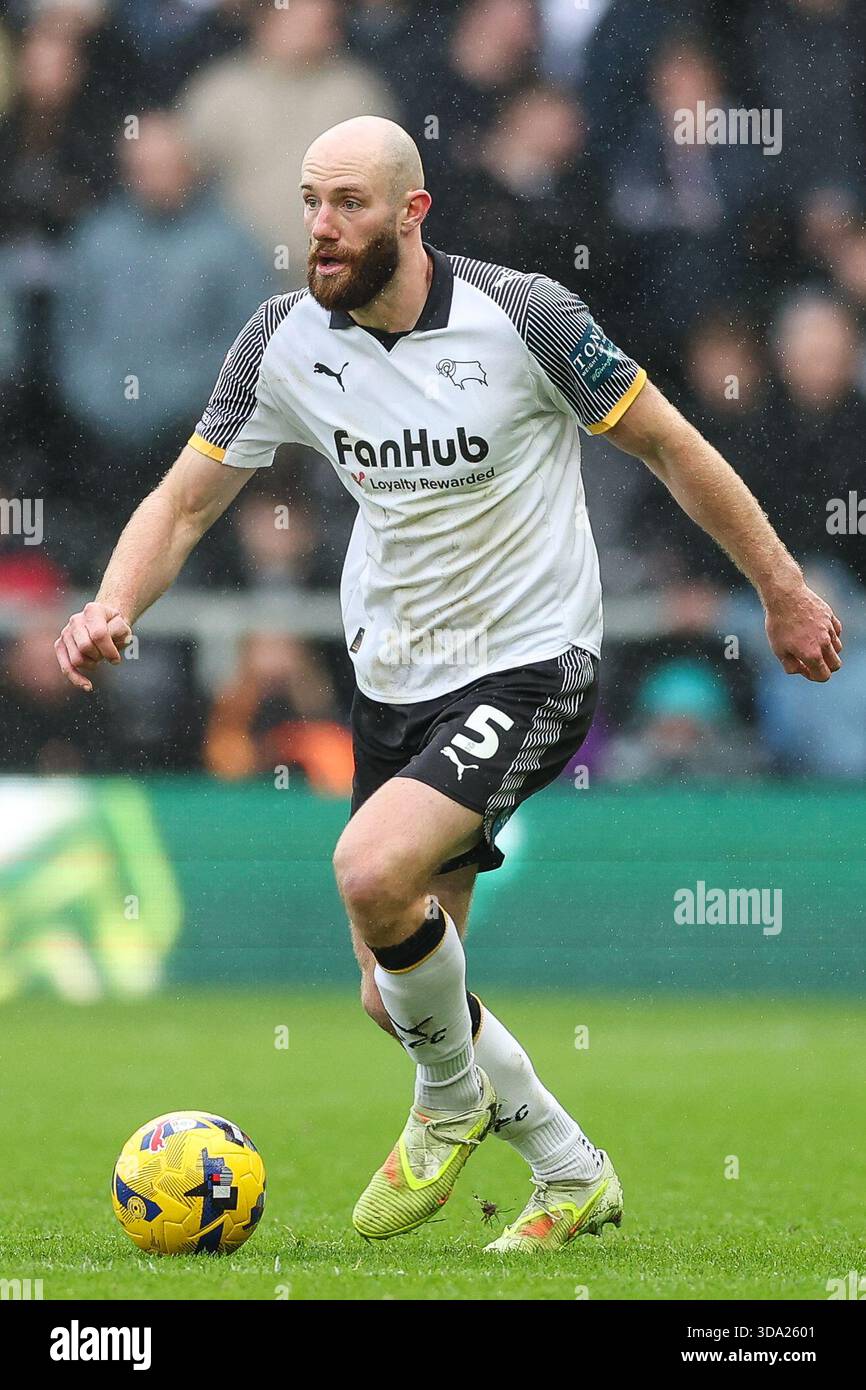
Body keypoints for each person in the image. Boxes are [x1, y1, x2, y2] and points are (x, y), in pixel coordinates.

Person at [55, 115, 843, 1255]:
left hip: (533, 662)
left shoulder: (525, 316)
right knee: (395, 991)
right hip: (394, 680)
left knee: (369, 869)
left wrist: (777, 588)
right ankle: (570, 1171)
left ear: (412, 212)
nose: (320, 228)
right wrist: (114, 602)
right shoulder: (281, 337)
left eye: (349, 205)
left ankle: (445, 1106)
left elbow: (670, 444)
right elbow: (184, 500)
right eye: (312, 202)